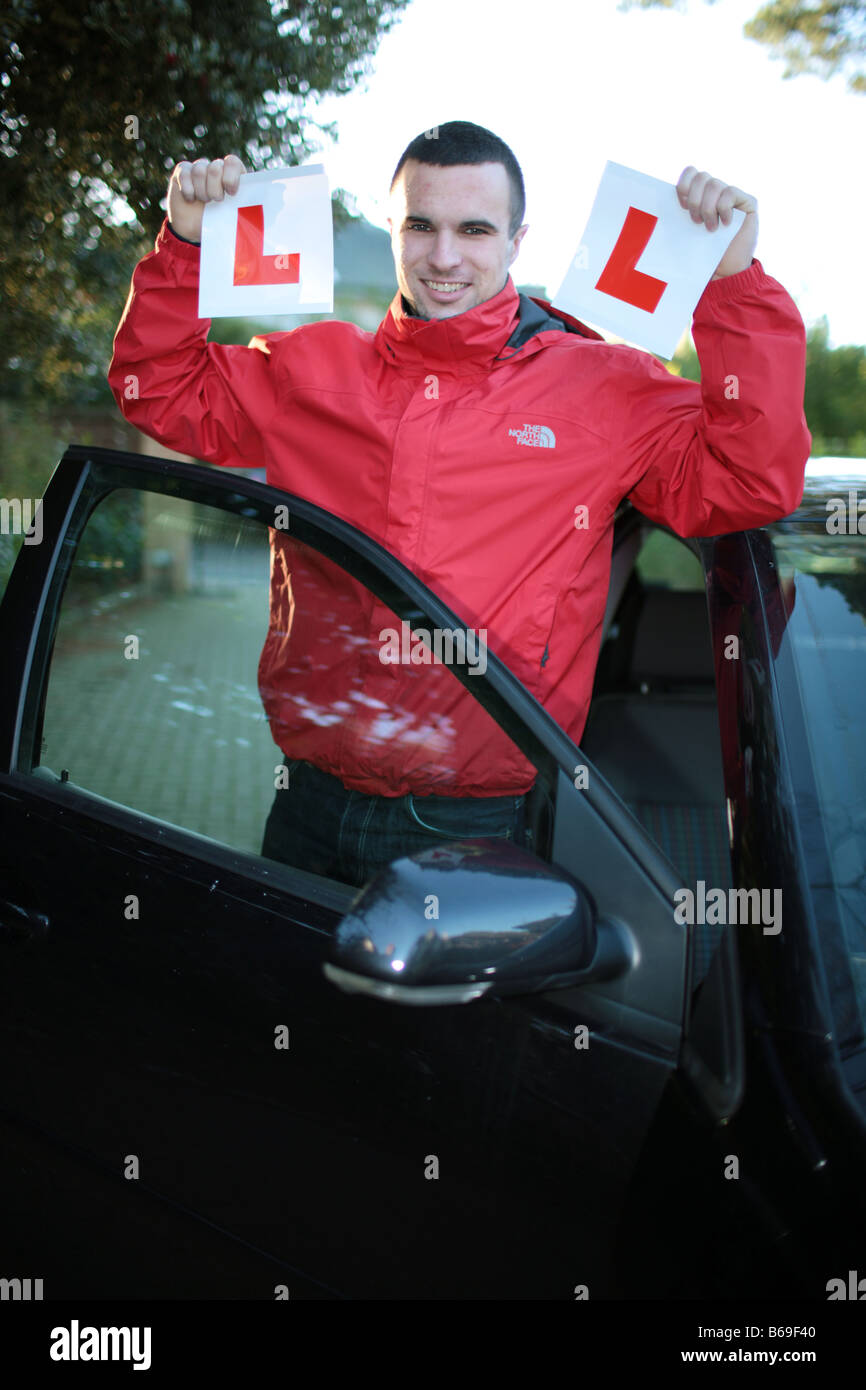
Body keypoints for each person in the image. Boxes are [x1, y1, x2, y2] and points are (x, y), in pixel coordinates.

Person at [108, 120, 811, 886]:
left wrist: (733, 284)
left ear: (516, 239)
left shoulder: (605, 388)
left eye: (474, 229)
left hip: (476, 824)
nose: (444, 257)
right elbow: (158, 388)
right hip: (304, 798)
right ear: (392, 228)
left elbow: (751, 480)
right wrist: (183, 240)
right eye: (422, 225)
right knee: (290, 1003)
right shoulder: (310, 371)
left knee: (446, 1015)